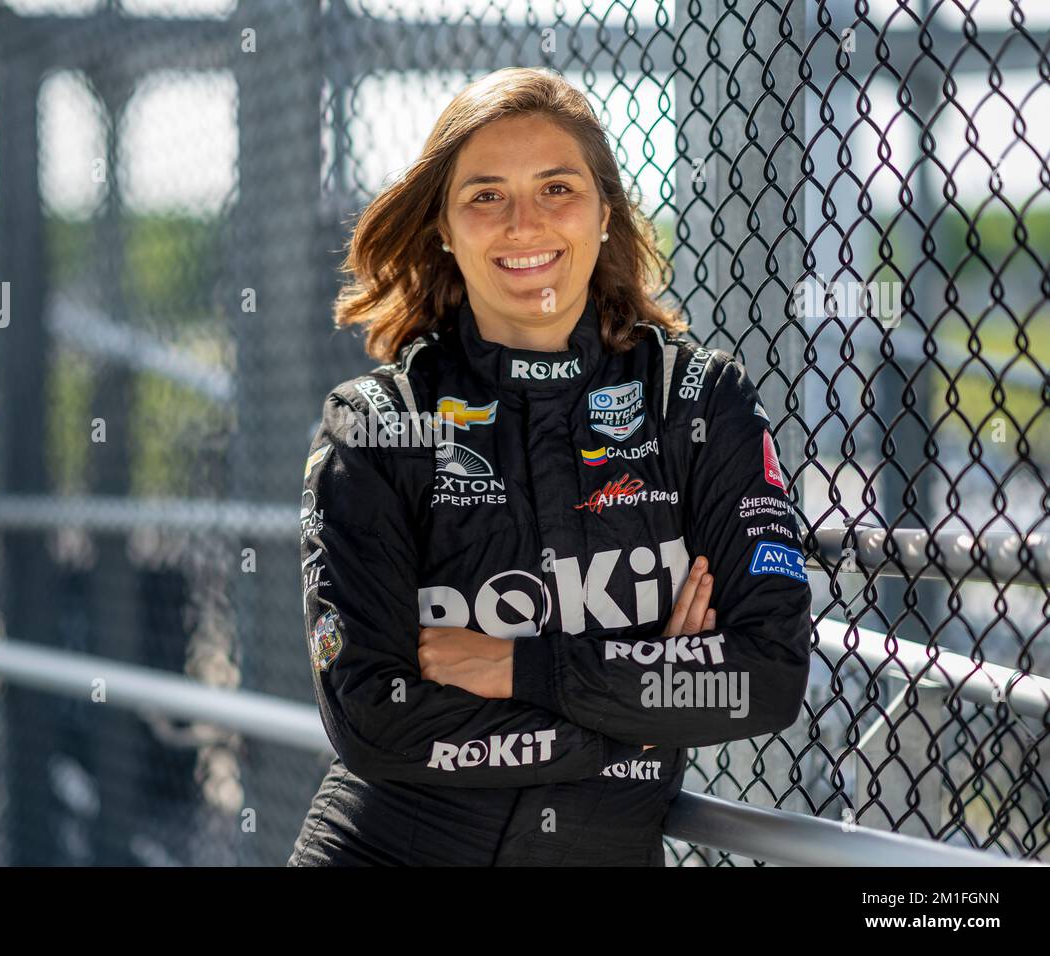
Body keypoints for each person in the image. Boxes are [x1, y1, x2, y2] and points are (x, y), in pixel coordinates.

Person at [288, 67, 812, 866]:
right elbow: (376, 718)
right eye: (486, 195)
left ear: (606, 213)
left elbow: (762, 678)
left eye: (557, 188)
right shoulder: (378, 425)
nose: (523, 223)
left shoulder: (699, 403)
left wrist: (514, 663)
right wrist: (637, 721)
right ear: (442, 227)